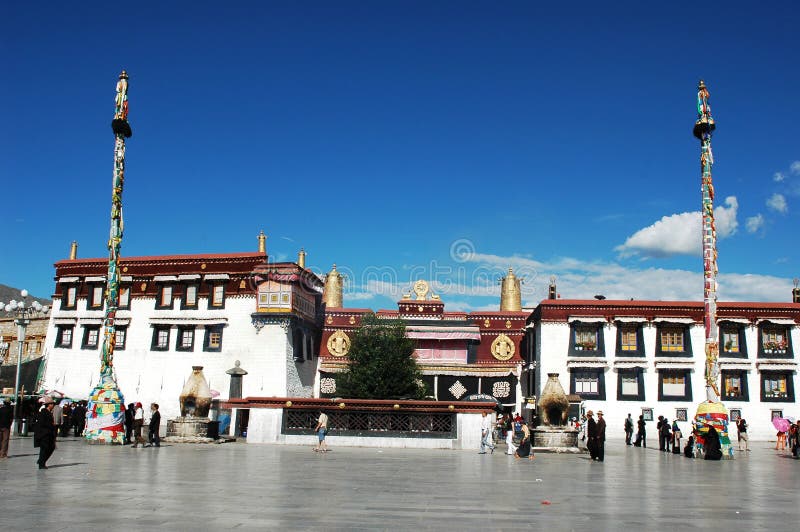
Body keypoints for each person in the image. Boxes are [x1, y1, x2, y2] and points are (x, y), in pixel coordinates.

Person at [33, 397, 57, 469]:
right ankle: (41, 464)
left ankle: (41, 461)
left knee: (50, 448)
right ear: (48, 405)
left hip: (48, 433)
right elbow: (42, 423)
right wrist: (51, 425)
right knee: (44, 449)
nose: (53, 406)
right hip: (44, 434)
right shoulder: (43, 413)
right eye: (52, 404)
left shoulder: (49, 413)